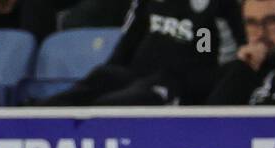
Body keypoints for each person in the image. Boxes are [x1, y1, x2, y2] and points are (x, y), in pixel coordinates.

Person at [42, 0, 242, 106]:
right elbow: (129, 40)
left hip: (174, 85)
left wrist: (202, 20)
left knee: (108, 105)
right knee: (99, 77)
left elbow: (205, 56)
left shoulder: (214, 7)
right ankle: (31, 118)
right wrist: (111, 69)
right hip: (137, 76)